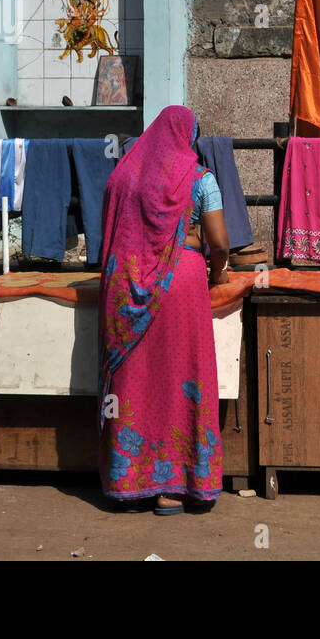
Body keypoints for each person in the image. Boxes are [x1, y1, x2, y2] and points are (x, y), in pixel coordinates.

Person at [97, 105, 231, 514]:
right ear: (189, 138)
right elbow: (220, 242)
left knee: (133, 382)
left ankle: (130, 481)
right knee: (182, 377)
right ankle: (174, 488)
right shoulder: (199, 179)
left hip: (124, 288)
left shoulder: (123, 178)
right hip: (181, 283)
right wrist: (220, 272)